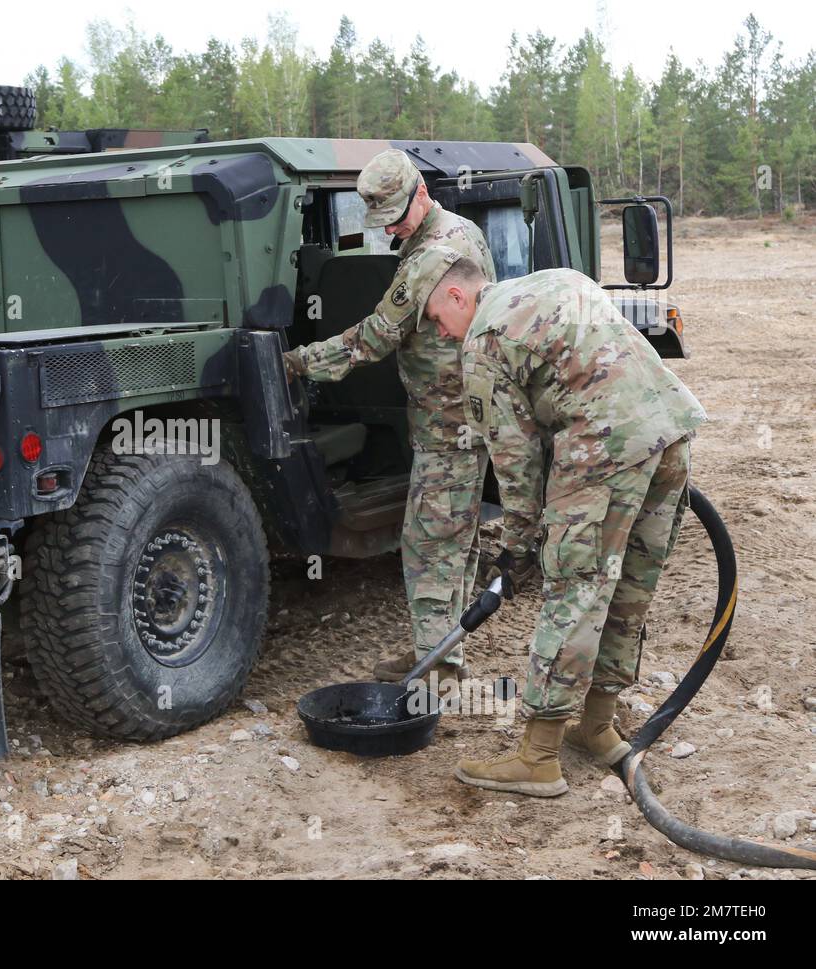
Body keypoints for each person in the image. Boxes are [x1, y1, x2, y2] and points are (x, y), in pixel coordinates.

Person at [408, 245, 707, 796]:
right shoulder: (555, 279)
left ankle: (539, 757)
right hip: (670, 433)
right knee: (627, 589)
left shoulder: (482, 342)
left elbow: (515, 464)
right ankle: (596, 727)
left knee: (574, 592)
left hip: (603, 450)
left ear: (456, 295)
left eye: (434, 319)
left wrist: (519, 546)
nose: (441, 334)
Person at [283, 149, 496, 692]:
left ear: (422, 191)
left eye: (399, 216)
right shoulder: (463, 231)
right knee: (458, 541)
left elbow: (374, 338)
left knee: (428, 548)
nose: (393, 229)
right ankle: (442, 653)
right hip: (468, 419)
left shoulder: (431, 258)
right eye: (384, 221)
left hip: (447, 428)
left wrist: (300, 361)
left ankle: (437, 674)